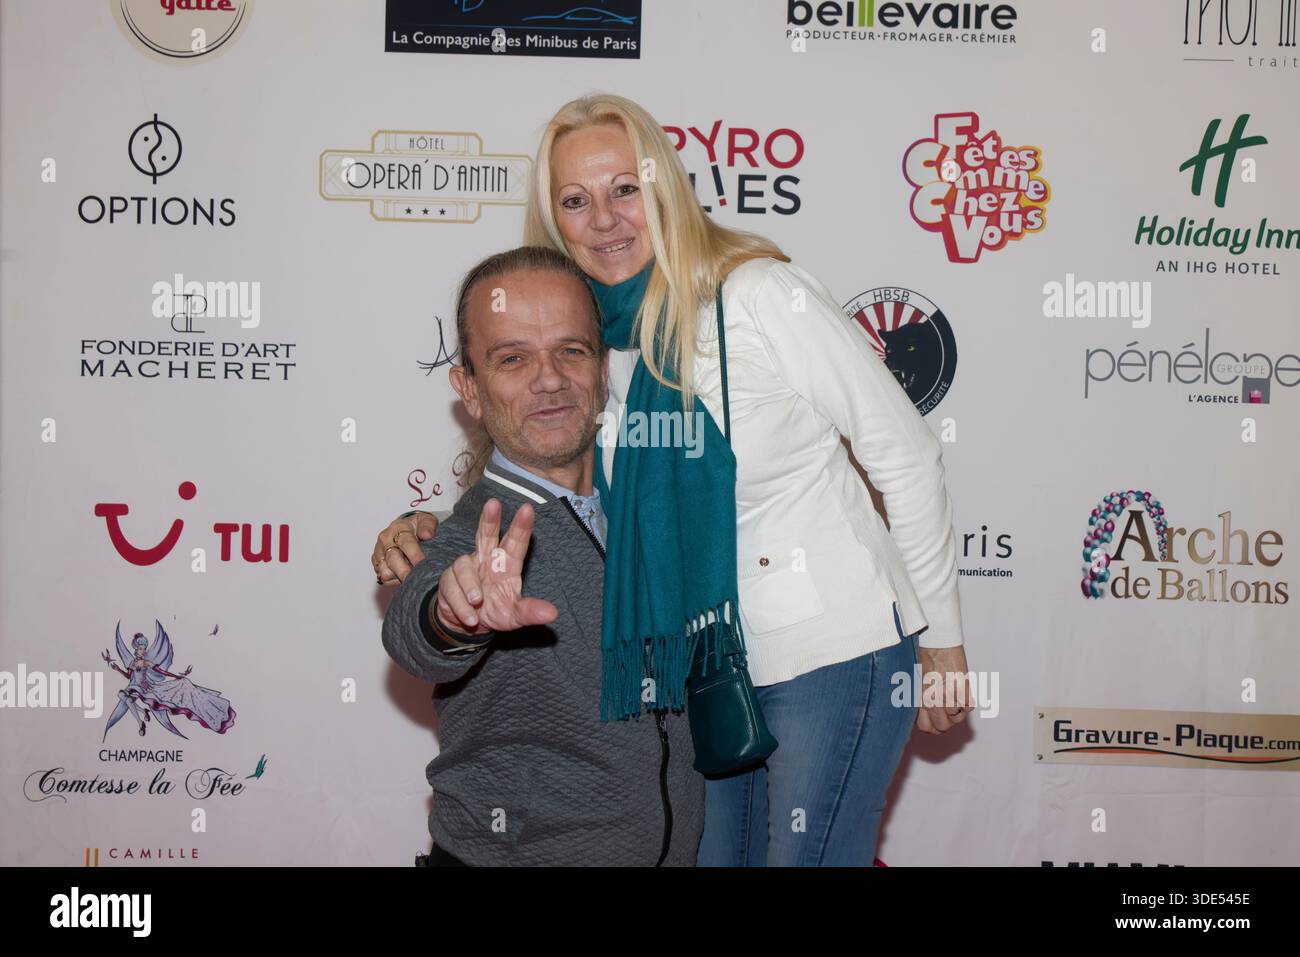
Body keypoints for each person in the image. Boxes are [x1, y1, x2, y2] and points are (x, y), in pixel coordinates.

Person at [375, 93, 973, 867]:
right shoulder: (596, 344)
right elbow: (546, 470)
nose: (606, 219)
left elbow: (906, 453)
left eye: (627, 188)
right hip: (711, 670)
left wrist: (944, 645)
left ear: (666, 190)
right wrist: (422, 531)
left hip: (833, 647)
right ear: (554, 220)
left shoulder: (759, 296)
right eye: (575, 200)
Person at [380, 244, 703, 866]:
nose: (549, 378)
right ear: (468, 389)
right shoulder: (479, 537)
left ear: (603, 368)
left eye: (570, 350)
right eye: (512, 359)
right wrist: (455, 617)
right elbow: (414, 631)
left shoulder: (645, 510)